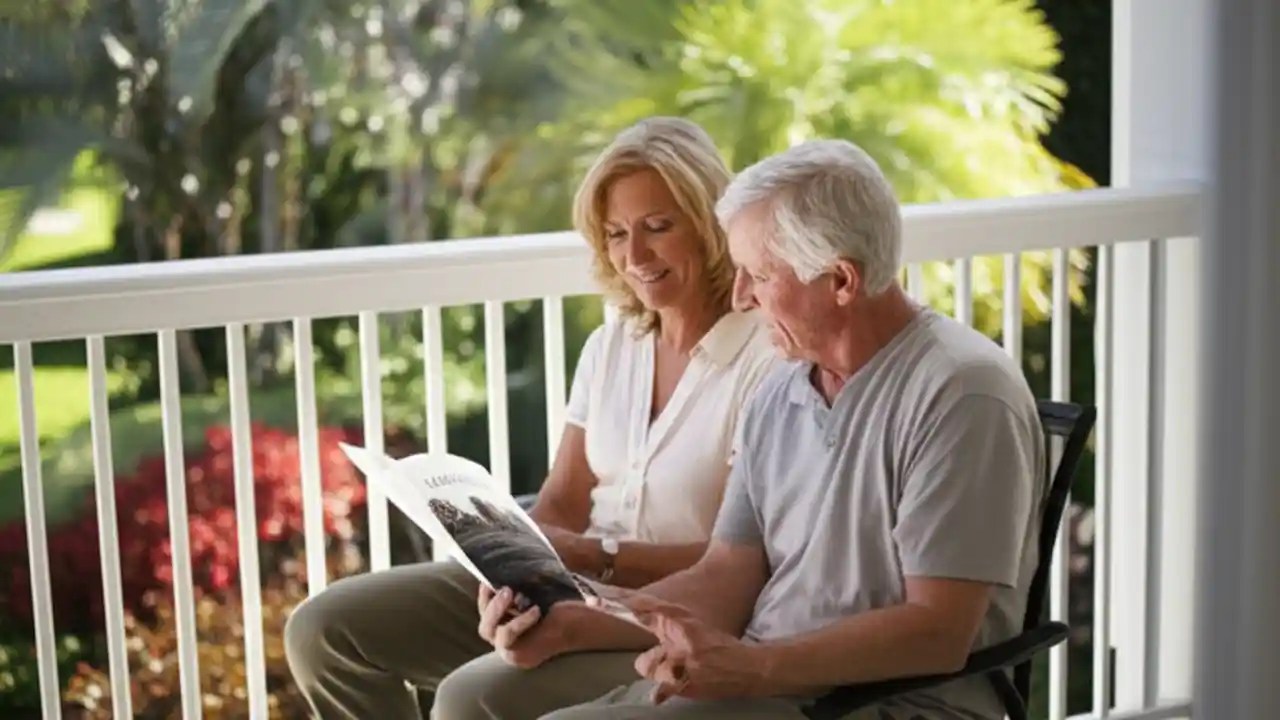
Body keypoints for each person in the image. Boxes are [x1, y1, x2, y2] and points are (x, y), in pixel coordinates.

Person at [478, 139, 1046, 720]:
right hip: (771, 675)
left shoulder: (963, 393)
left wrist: (752, 668)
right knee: (484, 699)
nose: (740, 296)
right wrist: (575, 621)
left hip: (889, 702)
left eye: (759, 275)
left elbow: (937, 631)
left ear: (841, 280)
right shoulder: (784, 386)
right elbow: (726, 576)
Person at [283, 116, 780, 720]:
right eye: (616, 234)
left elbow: (734, 563)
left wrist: (594, 556)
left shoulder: (767, 356)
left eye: (657, 227)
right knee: (324, 631)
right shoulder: (612, 345)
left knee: (467, 697)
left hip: (666, 613)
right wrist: (513, 575)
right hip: (571, 582)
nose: (635, 255)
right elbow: (563, 500)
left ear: (709, 226)